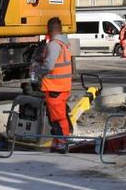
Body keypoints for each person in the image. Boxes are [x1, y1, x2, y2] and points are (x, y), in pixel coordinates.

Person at [31, 17, 73, 152]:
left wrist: (37, 69)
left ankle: (62, 143)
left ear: (49, 29)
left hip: (55, 87)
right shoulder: (63, 44)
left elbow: (49, 66)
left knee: (57, 119)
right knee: (58, 117)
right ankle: (59, 141)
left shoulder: (54, 45)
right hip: (61, 86)